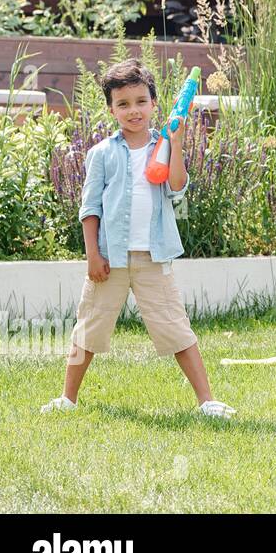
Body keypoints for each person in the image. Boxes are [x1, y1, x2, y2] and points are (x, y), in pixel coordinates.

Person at [41, 59, 234, 419]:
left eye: (141, 102)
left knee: (176, 328)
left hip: (152, 257)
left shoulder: (162, 146)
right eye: (124, 104)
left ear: (154, 104)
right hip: (109, 259)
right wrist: (92, 256)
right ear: (111, 108)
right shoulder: (101, 154)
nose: (134, 111)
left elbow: (177, 186)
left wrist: (175, 143)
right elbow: (90, 208)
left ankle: (206, 401)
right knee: (89, 329)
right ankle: (67, 398)